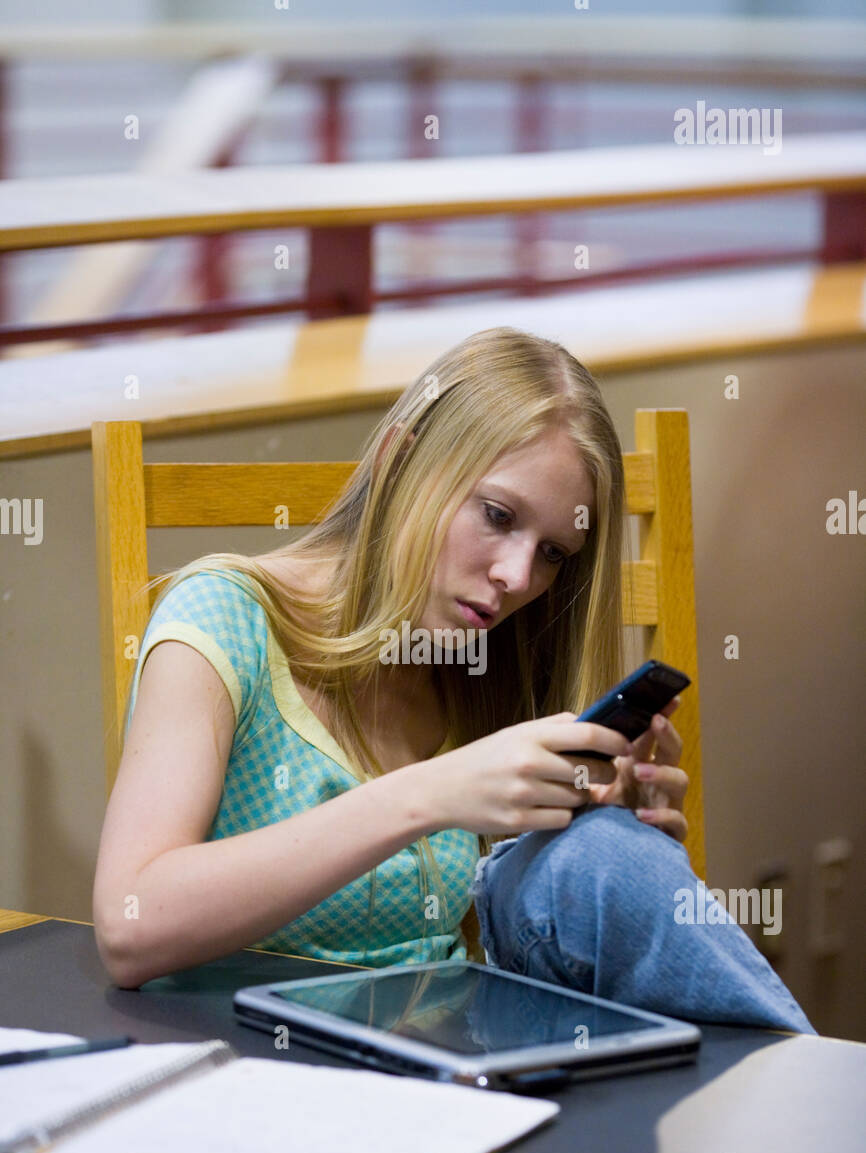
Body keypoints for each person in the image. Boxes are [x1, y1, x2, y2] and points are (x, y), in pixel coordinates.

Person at [91, 326, 815, 1034]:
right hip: (258, 1065)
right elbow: (130, 927)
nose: (517, 576)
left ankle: (791, 1112)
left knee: (600, 860)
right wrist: (424, 797)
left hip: (453, 1062)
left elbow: (498, 933)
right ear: (400, 458)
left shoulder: (482, 664)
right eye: (497, 515)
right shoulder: (224, 617)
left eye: (554, 553)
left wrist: (607, 834)